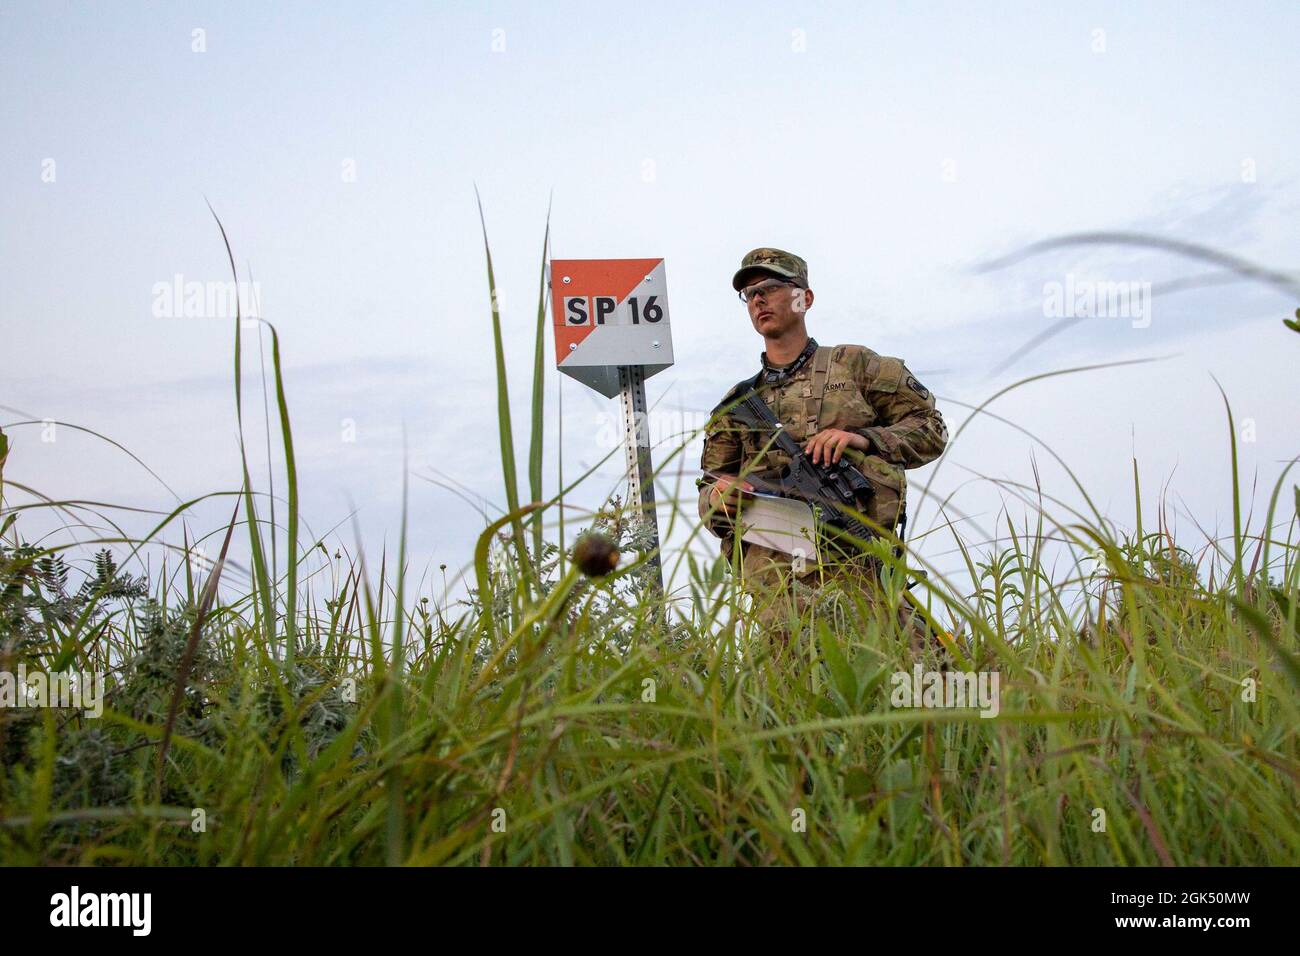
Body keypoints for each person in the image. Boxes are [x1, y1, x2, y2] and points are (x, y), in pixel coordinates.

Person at [697, 247, 949, 641]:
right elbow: (711, 485)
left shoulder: (856, 365)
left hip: (861, 565)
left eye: (770, 287)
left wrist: (864, 439)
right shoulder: (737, 403)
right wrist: (718, 496)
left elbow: (931, 429)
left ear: (804, 298)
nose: (758, 299)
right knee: (792, 694)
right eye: (749, 294)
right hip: (777, 591)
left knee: (907, 670)